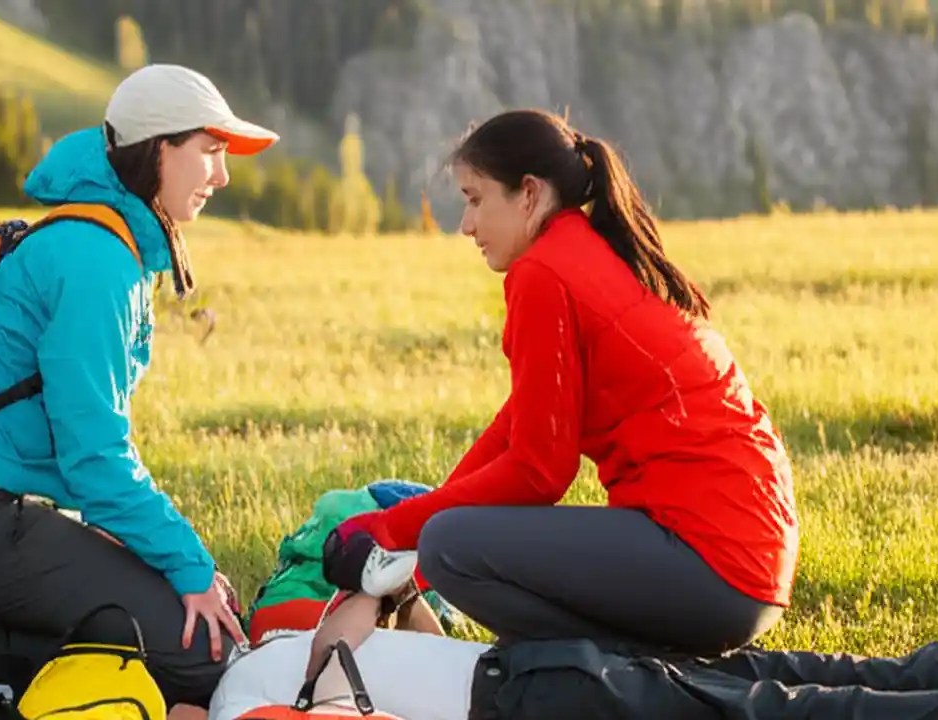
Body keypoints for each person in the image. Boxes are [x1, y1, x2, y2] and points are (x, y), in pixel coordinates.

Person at [322, 108, 799, 658]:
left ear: (528, 194)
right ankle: (614, 666)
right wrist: (400, 533)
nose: (466, 225)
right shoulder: (583, 249)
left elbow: (538, 470)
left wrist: (398, 531)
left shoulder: (543, 273)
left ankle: (589, 674)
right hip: (747, 555)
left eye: (475, 199)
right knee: (441, 536)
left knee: (450, 547)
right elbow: (516, 426)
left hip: (713, 561)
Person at [0, 63, 279, 715]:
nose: (222, 175)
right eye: (211, 151)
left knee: (198, 622)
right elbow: (95, 460)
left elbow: (86, 454)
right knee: (202, 655)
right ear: (158, 150)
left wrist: (158, 556)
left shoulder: (105, 243)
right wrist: (190, 565)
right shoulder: (94, 261)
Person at [210, 593, 938, 720]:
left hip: (528, 686)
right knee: (764, 686)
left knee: (762, 699)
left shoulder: (255, 677)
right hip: (530, 673)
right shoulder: (262, 668)